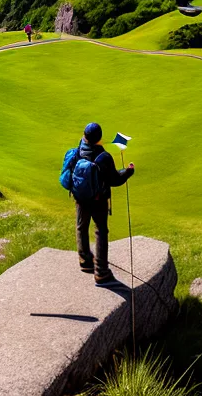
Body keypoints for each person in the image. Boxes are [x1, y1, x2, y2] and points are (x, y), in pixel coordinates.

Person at [74, 122, 134, 286]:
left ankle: (85, 261)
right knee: (100, 231)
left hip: (80, 197)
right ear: (99, 138)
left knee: (82, 226)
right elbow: (115, 179)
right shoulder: (103, 157)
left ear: (85, 136)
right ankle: (101, 272)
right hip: (98, 200)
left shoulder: (78, 149)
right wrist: (127, 172)